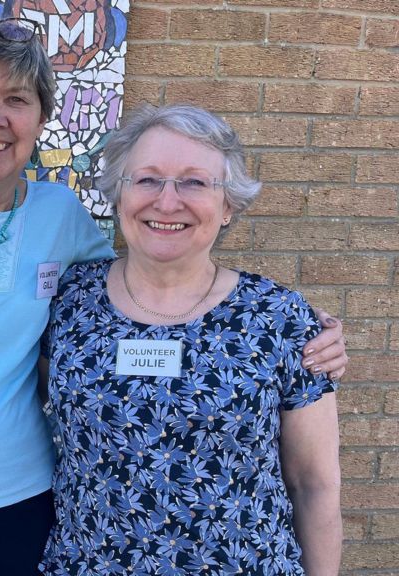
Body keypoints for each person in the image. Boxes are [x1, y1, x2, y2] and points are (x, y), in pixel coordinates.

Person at [0, 20, 347, 575]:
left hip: (20, 506)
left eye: (16, 99)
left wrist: (304, 327)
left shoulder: (59, 216)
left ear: (40, 119)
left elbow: (140, 278)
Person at [41, 104, 343, 575]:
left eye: (194, 182)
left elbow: (314, 483)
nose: (166, 201)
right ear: (118, 196)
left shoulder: (280, 318)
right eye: (147, 180)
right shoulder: (69, 302)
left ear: (228, 207)